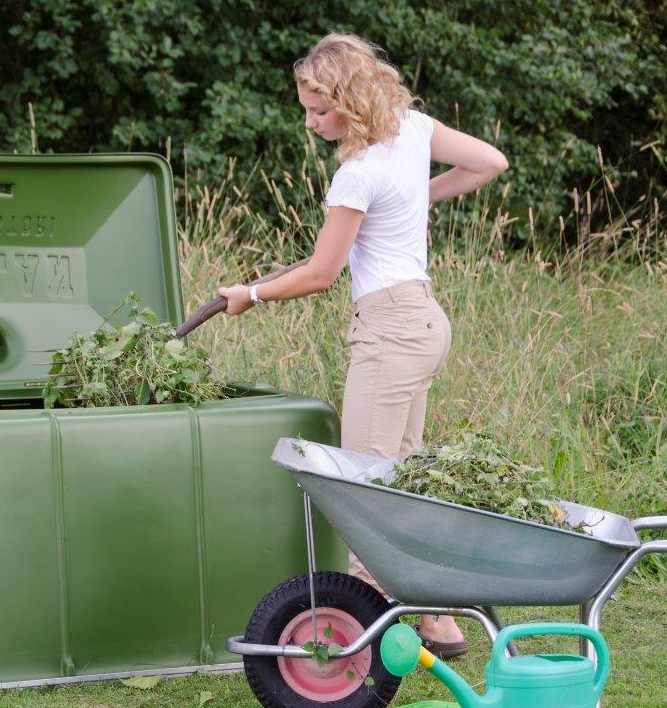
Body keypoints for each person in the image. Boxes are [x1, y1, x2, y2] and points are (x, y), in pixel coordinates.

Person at [217, 32, 508, 659]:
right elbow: (491, 163)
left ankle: (354, 649)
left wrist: (254, 297)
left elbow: (321, 274)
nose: (311, 122)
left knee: (365, 493)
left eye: (321, 110)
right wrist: (417, 198)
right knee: (399, 482)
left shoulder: (357, 173)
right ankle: (438, 622)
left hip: (389, 330)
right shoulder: (412, 128)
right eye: (305, 108)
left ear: (351, 102)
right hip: (425, 322)